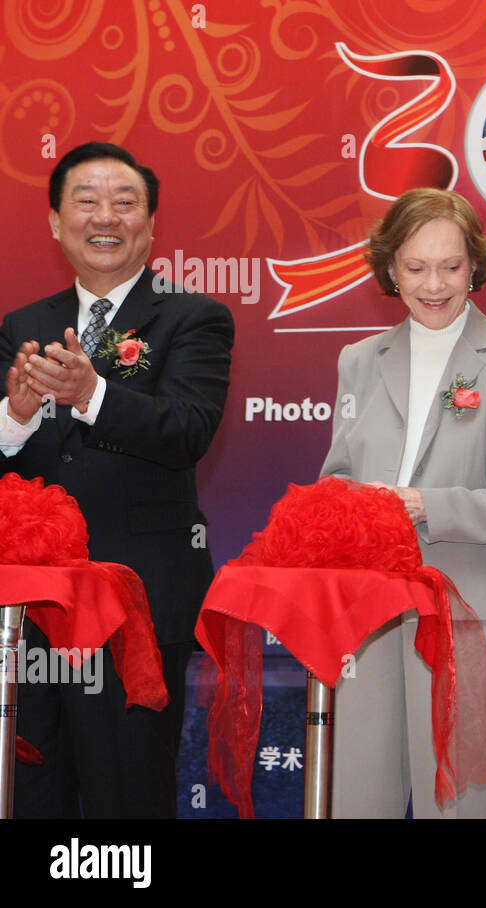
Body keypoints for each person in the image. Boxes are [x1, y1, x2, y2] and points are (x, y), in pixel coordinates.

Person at [0, 142, 235, 817]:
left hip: (137, 599)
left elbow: (187, 429)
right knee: (31, 789)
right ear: (54, 222)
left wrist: (90, 393)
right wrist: (14, 418)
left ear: (152, 224)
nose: (106, 217)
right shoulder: (24, 325)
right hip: (29, 606)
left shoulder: (192, 316)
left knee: (124, 793)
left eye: (125, 202)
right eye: (86, 201)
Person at [320, 187, 486, 818]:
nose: (434, 285)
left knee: (460, 807)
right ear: (390, 268)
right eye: (416, 267)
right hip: (365, 618)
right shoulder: (358, 361)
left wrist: (424, 504)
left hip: (467, 613)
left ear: (476, 267)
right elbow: (335, 478)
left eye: (451, 267)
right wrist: (344, 507)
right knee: (355, 803)